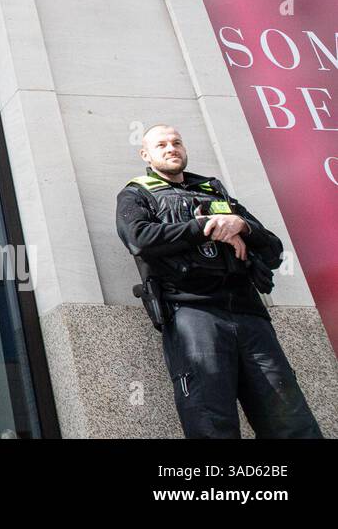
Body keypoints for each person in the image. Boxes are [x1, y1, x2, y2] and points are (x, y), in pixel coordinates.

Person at [116, 123, 322, 439]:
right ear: (146, 154)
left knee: (290, 418)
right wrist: (205, 227)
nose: (171, 148)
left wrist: (242, 226)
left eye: (177, 142)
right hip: (192, 316)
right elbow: (140, 239)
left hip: (249, 314)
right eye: (162, 145)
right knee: (211, 421)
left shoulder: (214, 191)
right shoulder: (136, 193)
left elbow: (274, 249)